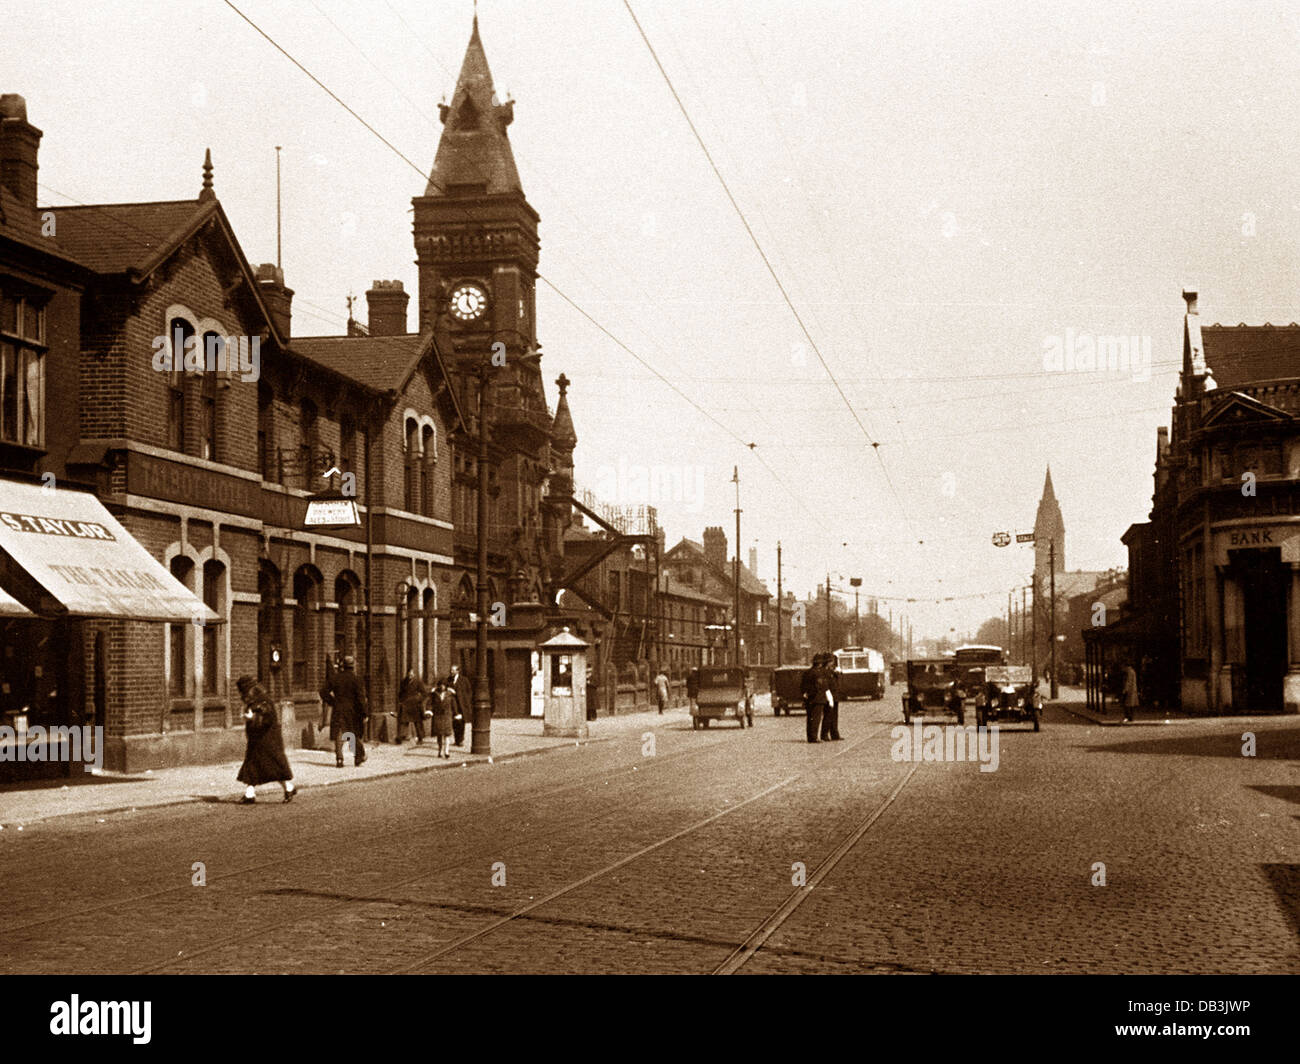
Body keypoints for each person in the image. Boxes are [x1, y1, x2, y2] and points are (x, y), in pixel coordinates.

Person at [235, 676, 295, 804]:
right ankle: (250, 794)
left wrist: (251, 718)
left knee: (272, 766)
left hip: (267, 739)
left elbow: (266, 720)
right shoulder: (256, 701)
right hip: (257, 739)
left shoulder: (263, 701)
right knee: (252, 765)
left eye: (243, 692)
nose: (242, 695)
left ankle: (289, 787)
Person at [322, 654, 368, 767]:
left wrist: (333, 702)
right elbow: (361, 698)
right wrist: (364, 713)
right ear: (353, 666)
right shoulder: (357, 679)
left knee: (339, 733)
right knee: (355, 734)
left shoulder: (335, 678)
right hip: (353, 711)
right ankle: (358, 757)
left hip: (338, 709)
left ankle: (339, 759)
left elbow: (323, 691)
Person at [801, 655, 832, 743]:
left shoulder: (807, 673)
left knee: (809, 718)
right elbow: (820, 686)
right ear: (820, 664)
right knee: (816, 718)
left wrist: (806, 694)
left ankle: (810, 737)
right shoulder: (818, 674)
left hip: (808, 699)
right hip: (817, 699)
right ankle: (814, 737)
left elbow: (802, 686)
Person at [398, 667, 429, 745]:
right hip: (406, 704)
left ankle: (420, 738)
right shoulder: (404, 682)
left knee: (418, 722)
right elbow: (401, 692)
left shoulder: (418, 682)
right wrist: (400, 701)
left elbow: (424, 694)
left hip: (415, 705)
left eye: (411, 674)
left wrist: (418, 699)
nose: (410, 675)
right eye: (409, 674)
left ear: (414, 674)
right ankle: (401, 737)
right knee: (404, 721)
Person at [447, 663, 471, 746]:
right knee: (454, 722)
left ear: (457, 671)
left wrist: (465, 701)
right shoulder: (449, 680)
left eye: (453, 670)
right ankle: (457, 740)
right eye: (451, 670)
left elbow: (468, 691)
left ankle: (460, 740)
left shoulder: (464, 680)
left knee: (461, 722)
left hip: (461, 704)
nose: (451, 671)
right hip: (453, 705)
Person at [431, 680, 455, 758]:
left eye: (444, 685)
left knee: (447, 734)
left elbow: (454, 705)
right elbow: (430, 703)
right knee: (439, 735)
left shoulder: (450, 694)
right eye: (441, 685)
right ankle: (440, 750)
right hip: (438, 716)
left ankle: (446, 751)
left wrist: (457, 714)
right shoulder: (435, 694)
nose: (442, 687)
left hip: (447, 715)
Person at [821, 656, 842, 741]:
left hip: (835, 696)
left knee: (834, 716)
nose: (832, 663)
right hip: (829, 696)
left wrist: (837, 673)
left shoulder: (832, 671)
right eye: (831, 662)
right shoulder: (825, 672)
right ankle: (824, 734)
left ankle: (835, 734)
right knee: (828, 716)